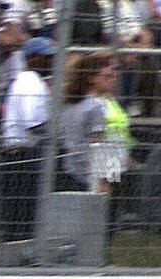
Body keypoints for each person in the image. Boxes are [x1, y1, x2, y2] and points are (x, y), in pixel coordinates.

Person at [0, 35, 53, 240]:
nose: (51, 61)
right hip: (22, 156)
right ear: (33, 58)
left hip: (22, 154)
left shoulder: (32, 81)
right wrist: (57, 136)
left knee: (21, 217)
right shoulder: (30, 82)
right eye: (46, 57)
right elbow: (33, 123)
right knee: (21, 217)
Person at [59, 50, 116, 193]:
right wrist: (106, 180)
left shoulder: (70, 103)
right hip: (88, 177)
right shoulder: (95, 106)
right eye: (107, 76)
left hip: (68, 171)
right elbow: (98, 147)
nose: (112, 79)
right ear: (92, 78)